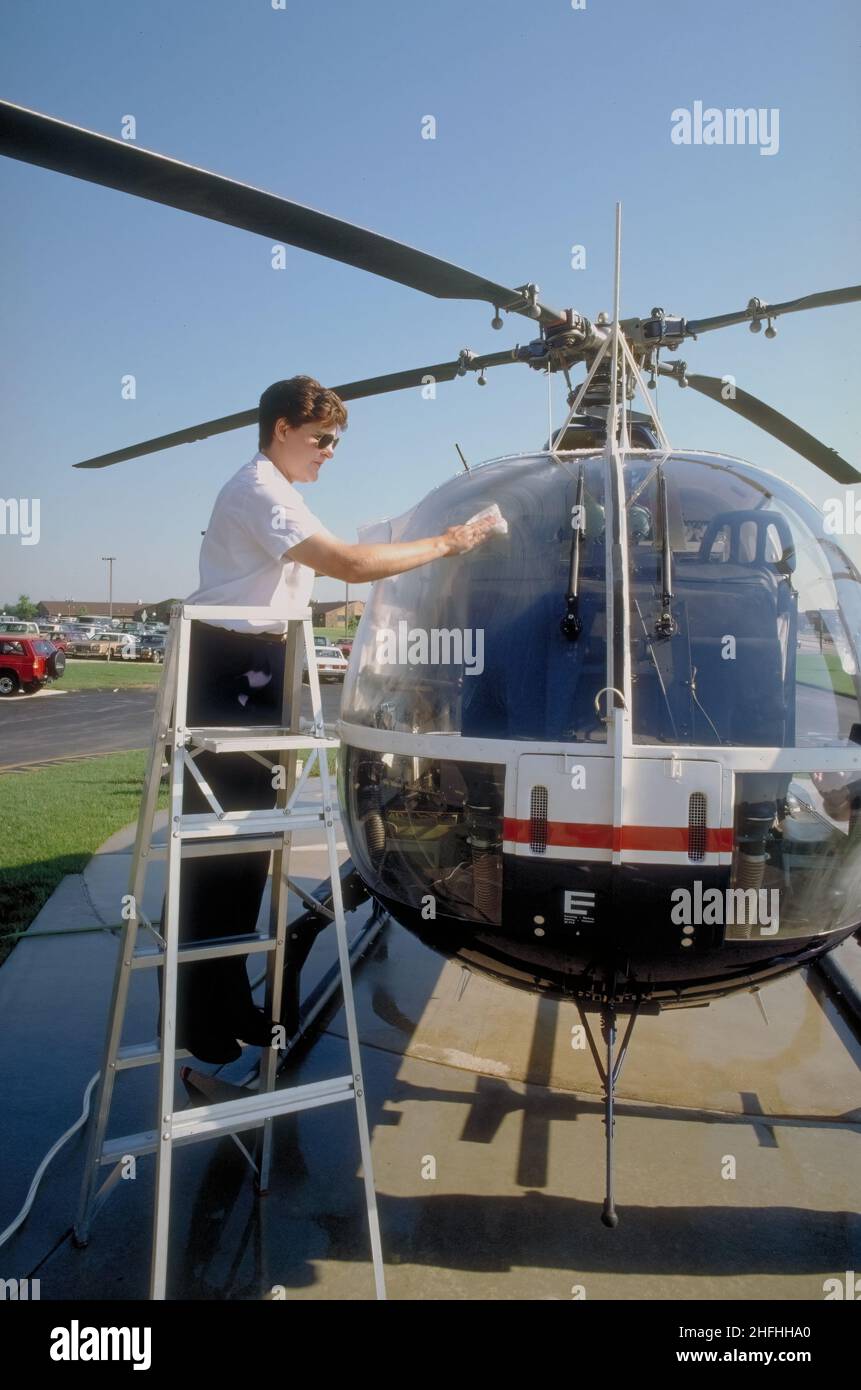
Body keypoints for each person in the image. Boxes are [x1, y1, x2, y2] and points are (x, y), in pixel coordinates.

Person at [169, 374, 497, 1063]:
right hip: (230, 673)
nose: (328, 453)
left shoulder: (281, 492)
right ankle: (197, 1016)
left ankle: (230, 1000)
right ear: (282, 429)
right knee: (217, 854)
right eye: (321, 439)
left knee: (251, 852)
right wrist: (450, 543)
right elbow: (347, 565)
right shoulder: (258, 489)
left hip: (261, 670)